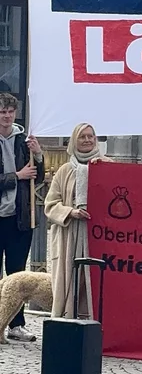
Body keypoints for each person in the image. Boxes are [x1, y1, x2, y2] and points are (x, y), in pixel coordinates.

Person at [44, 123, 107, 320]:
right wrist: (71, 212)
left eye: (91, 136)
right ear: (74, 140)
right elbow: (50, 204)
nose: (87, 140)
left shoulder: (107, 165)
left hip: (97, 234)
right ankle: (67, 321)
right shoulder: (64, 170)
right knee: (70, 279)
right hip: (69, 234)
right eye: (82, 136)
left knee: (95, 278)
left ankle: (94, 321)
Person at [0, 94, 44, 330]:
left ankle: (16, 324)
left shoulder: (22, 141)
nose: (6, 116)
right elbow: (22, 176)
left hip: (19, 218)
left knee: (17, 273)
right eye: (2, 112)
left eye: (10, 111)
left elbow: (38, 176)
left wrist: (37, 155)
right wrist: (15, 176)